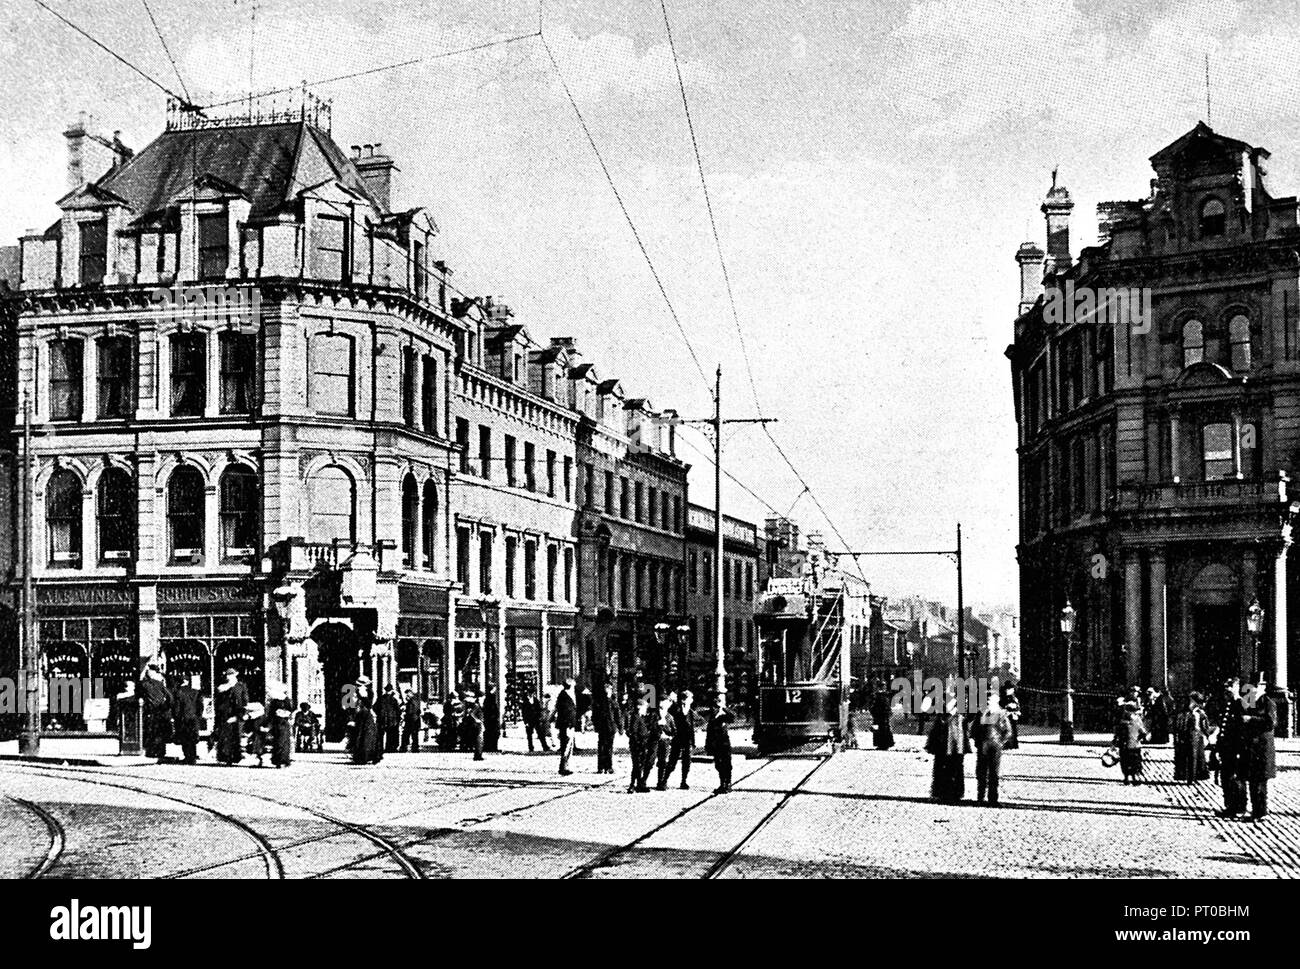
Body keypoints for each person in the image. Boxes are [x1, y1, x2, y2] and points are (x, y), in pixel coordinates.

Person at [1238, 678, 1277, 821]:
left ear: (1262, 687)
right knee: (1253, 781)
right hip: (1252, 749)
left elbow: (1271, 723)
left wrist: (1250, 719)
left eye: (1255, 687)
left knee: (1260, 783)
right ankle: (1256, 811)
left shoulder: (1268, 703)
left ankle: (1261, 812)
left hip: (1262, 750)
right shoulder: (1252, 702)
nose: (1251, 690)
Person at [1212, 677, 1248, 817]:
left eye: (1230, 686)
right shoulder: (1228, 704)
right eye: (1226, 686)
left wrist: (1241, 750)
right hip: (1226, 748)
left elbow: (1243, 730)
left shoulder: (1241, 704)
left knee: (1237, 778)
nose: (1227, 689)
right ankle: (1230, 806)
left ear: (1237, 687)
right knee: (1226, 777)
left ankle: (1239, 807)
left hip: (1236, 749)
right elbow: (1223, 728)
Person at [925, 693, 970, 804]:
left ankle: (955, 793)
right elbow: (935, 731)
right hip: (943, 746)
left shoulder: (960, 715)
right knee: (941, 768)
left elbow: (965, 732)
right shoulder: (941, 715)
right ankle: (941, 793)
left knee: (956, 768)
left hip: (956, 746)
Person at [972, 690, 1012, 806]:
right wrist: (978, 742)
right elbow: (974, 729)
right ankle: (980, 798)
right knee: (981, 772)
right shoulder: (981, 713)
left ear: (997, 700)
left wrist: (1001, 743)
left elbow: (1008, 731)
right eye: (987, 699)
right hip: (983, 745)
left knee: (994, 773)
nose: (989, 700)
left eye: (991, 698)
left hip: (995, 746)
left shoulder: (1001, 714)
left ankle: (993, 799)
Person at [137, 662, 173, 762]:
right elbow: (170, 697)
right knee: (160, 732)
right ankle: (161, 752)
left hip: (150, 712)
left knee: (151, 732)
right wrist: (166, 707)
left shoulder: (143, 684)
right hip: (161, 712)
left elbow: (138, 695)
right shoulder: (159, 684)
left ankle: (151, 752)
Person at [1172, 691, 1210, 783]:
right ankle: (1186, 775)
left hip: (1197, 737)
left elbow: (1205, 726)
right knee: (1185, 756)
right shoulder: (1184, 712)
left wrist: (1207, 736)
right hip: (1185, 736)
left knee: (1196, 757)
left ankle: (1194, 776)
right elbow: (1178, 724)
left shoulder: (1200, 713)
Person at [214, 667, 248, 765]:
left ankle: (234, 757)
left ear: (235, 675)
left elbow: (244, 700)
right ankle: (226, 757)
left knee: (235, 736)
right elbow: (218, 700)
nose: (229, 677)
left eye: (231, 675)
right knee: (225, 736)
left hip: (237, 714)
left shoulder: (241, 686)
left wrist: (242, 714)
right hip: (224, 714)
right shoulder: (223, 687)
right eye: (228, 675)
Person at [664, 690, 696, 789]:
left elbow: (692, 728)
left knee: (687, 762)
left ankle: (683, 781)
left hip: (688, 740)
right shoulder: (676, 710)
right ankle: (664, 780)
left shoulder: (690, 712)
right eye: (690, 698)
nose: (692, 700)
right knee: (672, 761)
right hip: (677, 739)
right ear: (684, 700)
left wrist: (693, 742)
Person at [705, 695, 735, 793]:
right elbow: (709, 734)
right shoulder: (712, 719)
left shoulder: (723, 717)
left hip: (725, 744)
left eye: (716, 707)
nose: (714, 709)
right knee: (718, 765)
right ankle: (722, 784)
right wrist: (708, 746)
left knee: (727, 764)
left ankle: (728, 784)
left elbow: (733, 716)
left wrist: (724, 707)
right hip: (715, 745)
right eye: (713, 707)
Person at [171, 675, 203, 765]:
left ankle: (188, 757)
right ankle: (193, 756)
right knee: (192, 738)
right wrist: (198, 716)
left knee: (184, 738)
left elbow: (176, 707)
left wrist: (175, 717)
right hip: (193, 718)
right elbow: (200, 706)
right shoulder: (196, 692)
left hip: (183, 718)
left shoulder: (178, 692)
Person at [1114, 699, 1148, 784]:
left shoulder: (1122, 721)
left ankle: (1127, 777)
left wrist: (1115, 740)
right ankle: (1132, 777)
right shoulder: (1137, 720)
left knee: (1126, 761)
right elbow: (1143, 732)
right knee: (1133, 762)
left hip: (1126, 744)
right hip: (1134, 745)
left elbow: (1117, 732)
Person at [592, 680, 622, 774]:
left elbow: (618, 715)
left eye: (609, 689)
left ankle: (608, 766)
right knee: (602, 747)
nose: (607, 690)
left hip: (611, 727)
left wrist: (620, 727)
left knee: (609, 747)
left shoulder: (613, 702)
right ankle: (601, 767)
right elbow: (595, 715)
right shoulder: (600, 702)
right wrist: (596, 725)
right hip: (602, 727)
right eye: (606, 688)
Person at [627, 695, 653, 792]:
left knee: (638, 765)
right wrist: (640, 743)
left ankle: (637, 785)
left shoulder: (639, 717)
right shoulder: (636, 717)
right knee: (637, 766)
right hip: (637, 745)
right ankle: (633, 785)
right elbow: (634, 732)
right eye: (645, 707)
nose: (646, 710)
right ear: (639, 707)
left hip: (640, 744)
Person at [265, 681, 293, 768]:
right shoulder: (274, 701)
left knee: (285, 742)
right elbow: (270, 713)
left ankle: (284, 760)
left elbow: (290, 710)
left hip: (284, 722)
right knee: (277, 742)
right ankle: (278, 761)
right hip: (277, 723)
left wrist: (285, 713)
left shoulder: (286, 699)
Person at [351, 693, 383, 764]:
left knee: (364, 744)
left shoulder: (363, 712)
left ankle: (363, 758)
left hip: (365, 731)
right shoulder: (366, 712)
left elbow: (361, 724)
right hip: (369, 731)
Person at [653, 697, 677, 790]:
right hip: (655, 740)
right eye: (661, 702)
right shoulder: (654, 715)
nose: (663, 704)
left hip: (665, 741)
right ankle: (641, 781)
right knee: (650, 761)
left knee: (663, 761)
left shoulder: (669, 717)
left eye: (665, 703)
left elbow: (674, 731)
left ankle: (661, 782)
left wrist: (669, 735)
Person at [555, 678, 578, 775]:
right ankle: (563, 767)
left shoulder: (567, 695)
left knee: (569, 746)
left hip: (569, 724)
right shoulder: (564, 696)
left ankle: (566, 766)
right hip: (566, 725)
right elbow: (564, 712)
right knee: (566, 746)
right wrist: (568, 724)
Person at [376, 683, 402, 753]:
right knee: (391, 734)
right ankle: (390, 748)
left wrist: (379, 714)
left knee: (380, 734)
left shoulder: (380, 698)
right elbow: (398, 710)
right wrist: (398, 717)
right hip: (392, 719)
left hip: (382, 719)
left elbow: (375, 707)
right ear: (391, 691)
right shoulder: (393, 699)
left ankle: (380, 748)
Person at [461, 691, 485, 761]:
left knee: (478, 740)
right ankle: (478, 755)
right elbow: (472, 713)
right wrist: (477, 720)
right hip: (478, 724)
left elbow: (467, 713)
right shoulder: (476, 705)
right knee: (479, 740)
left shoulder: (470, 705)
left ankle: (478, 754)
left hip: (475, 724)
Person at [999, 681, 1021, 750]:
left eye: (1010, 689)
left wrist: (1015, 708)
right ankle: (1008, 744)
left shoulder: (1013, 697)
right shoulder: (1003, 697)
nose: (1008, 690)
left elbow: (1017, 706)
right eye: (1008, 689)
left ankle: (1014, 744)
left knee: (1013, 730)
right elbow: (1001, 705)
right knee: (1007, 730)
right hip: (1006, 714)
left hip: (1013, 714)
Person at [483, 688, 501, 753]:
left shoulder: (490, 699)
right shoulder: (489, 699)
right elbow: (488, 710)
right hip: (491, 720)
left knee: (494, 734)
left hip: (492, 720)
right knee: (492, 734)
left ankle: (493, 747)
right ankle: (491, 747)